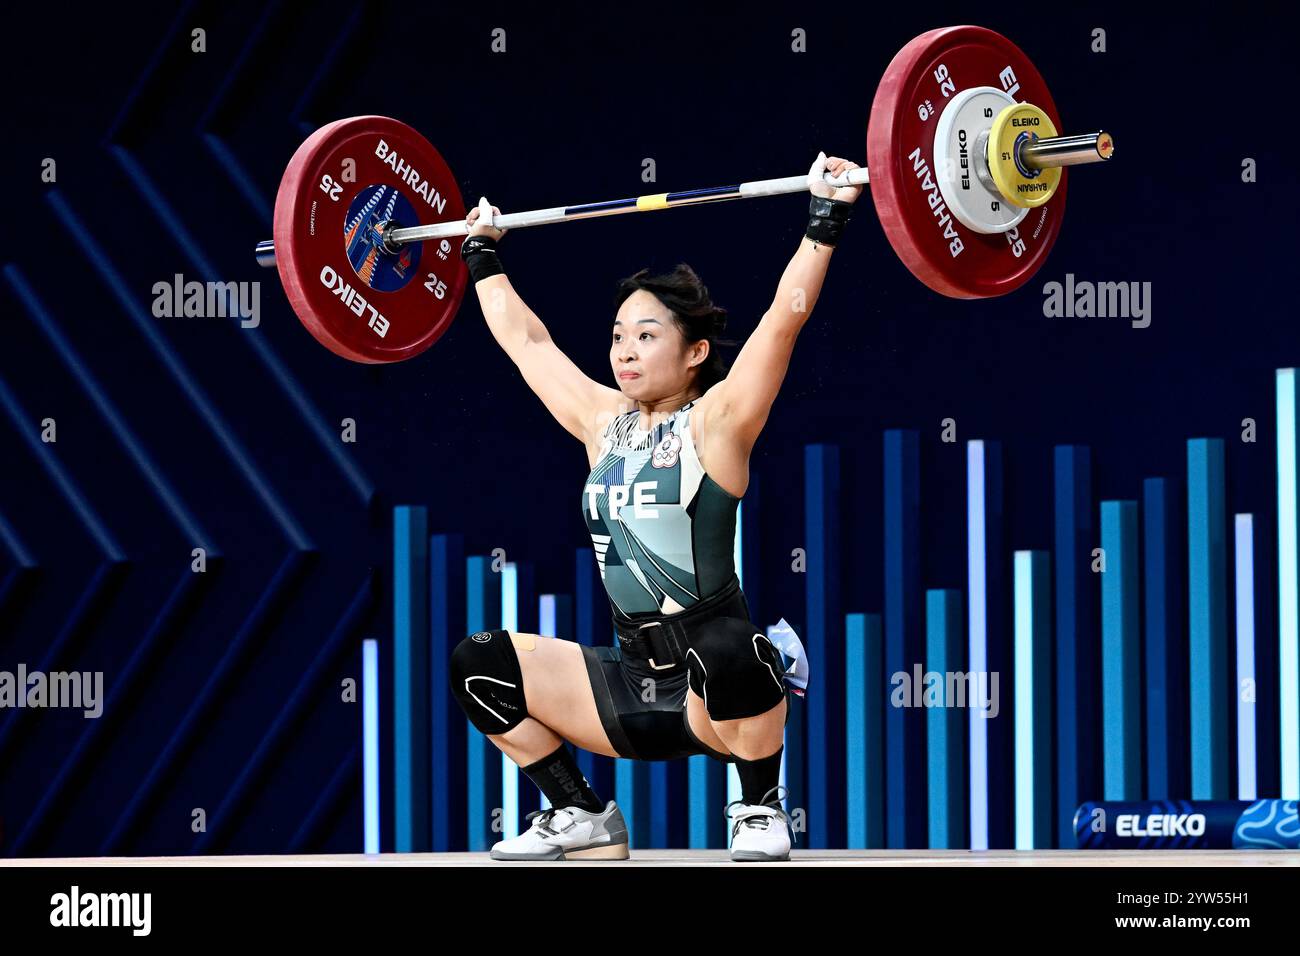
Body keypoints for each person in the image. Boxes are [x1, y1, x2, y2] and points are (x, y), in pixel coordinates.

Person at [448, 152, 860, 861]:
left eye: (646, 334)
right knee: (480, 663)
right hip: (626, 688)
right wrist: (482, 254)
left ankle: (759, 804)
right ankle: (582, 815)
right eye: (616, 335)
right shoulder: (601, 423)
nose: (624, 350)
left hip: (716, 693)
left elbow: (781, 324)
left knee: (731, 643)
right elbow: (527, 343)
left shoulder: (719, 423)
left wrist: (825, 218)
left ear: (696, 351)